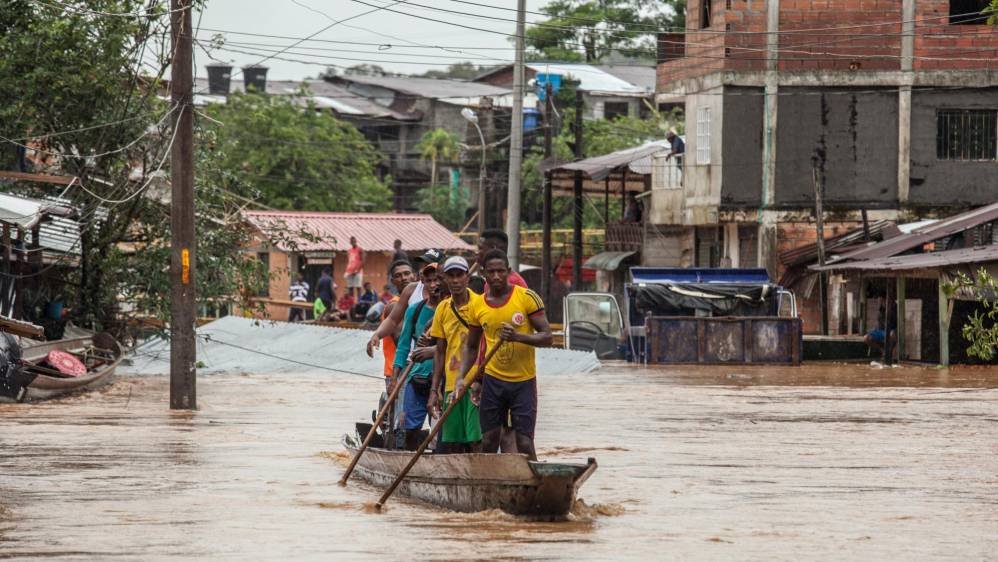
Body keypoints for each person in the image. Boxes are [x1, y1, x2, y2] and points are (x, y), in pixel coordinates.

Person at [457, 249, 552, 460]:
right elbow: (471, 347)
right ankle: (487, 482)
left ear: (509, 271)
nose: (497, 276)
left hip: (523, 382)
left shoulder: (527, 298)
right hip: (493, 380)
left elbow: (547, 337)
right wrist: (461, 379)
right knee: (489, 439)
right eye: (491, 272)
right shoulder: (478, 305)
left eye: (501, 271)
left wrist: (518, 337)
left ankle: (536, 485)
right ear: (483, 274)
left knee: (524, 441)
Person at [428, 256, 482, 453]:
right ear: (445, 279)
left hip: (476, 382)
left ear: (467, 277)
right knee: (453, 441)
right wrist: (435, 390)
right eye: (451, 276)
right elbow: (440, 351)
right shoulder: (443, 308)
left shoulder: (480, 303)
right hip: (452, 383)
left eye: (460, 275)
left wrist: (481, 381)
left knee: (476, 439)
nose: (456, 280)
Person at [392, 261, 443, 451]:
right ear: (423, 282)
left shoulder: (450, 309)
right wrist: (394, 378)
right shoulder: (415, 310)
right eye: (429, 281)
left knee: (442, 432)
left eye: (437, 280)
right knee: (410, 430)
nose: (434, 285)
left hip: (444, 378)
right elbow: (404, 346)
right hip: (418, 376)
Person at [366, 249, 444, 359]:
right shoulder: (411, 289)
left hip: (439, 358)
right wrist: (377, 335)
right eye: (423, 265)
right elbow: (393, 320)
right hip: (412, 359)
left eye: (428, 265)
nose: (423, 269)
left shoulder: (450, 294)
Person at [380, 260, 415, 387]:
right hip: (399, 372)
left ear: (414, 276)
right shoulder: (395, 305)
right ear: (393, 282)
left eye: (407, 273)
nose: (404, 278)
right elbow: (402, 341)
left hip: (413, 370)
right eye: (398, 276)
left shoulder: (417, 302)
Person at [469, 229, 527, 294]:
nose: (477, 252)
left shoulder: (509, 283)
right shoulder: (491, 282)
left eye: (480, 248)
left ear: (494, 249)